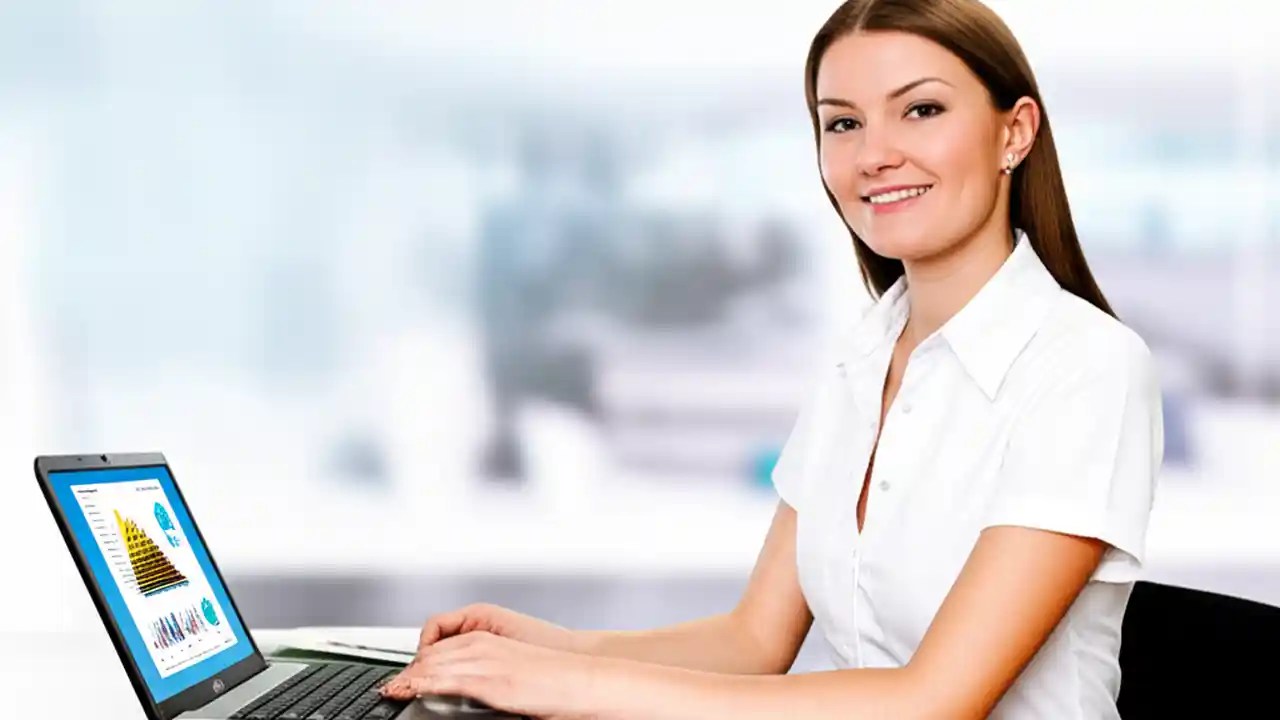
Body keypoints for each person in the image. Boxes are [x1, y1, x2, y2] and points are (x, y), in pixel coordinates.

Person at [380, 0, 1164, 716]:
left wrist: (567, 687)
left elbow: (933, 702)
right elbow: (755, 641)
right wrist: (550, 649)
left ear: (1014, 132)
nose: (875, 154)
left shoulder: (1087, 367)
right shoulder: (861, 357)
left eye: (920, 110)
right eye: (843, 123)